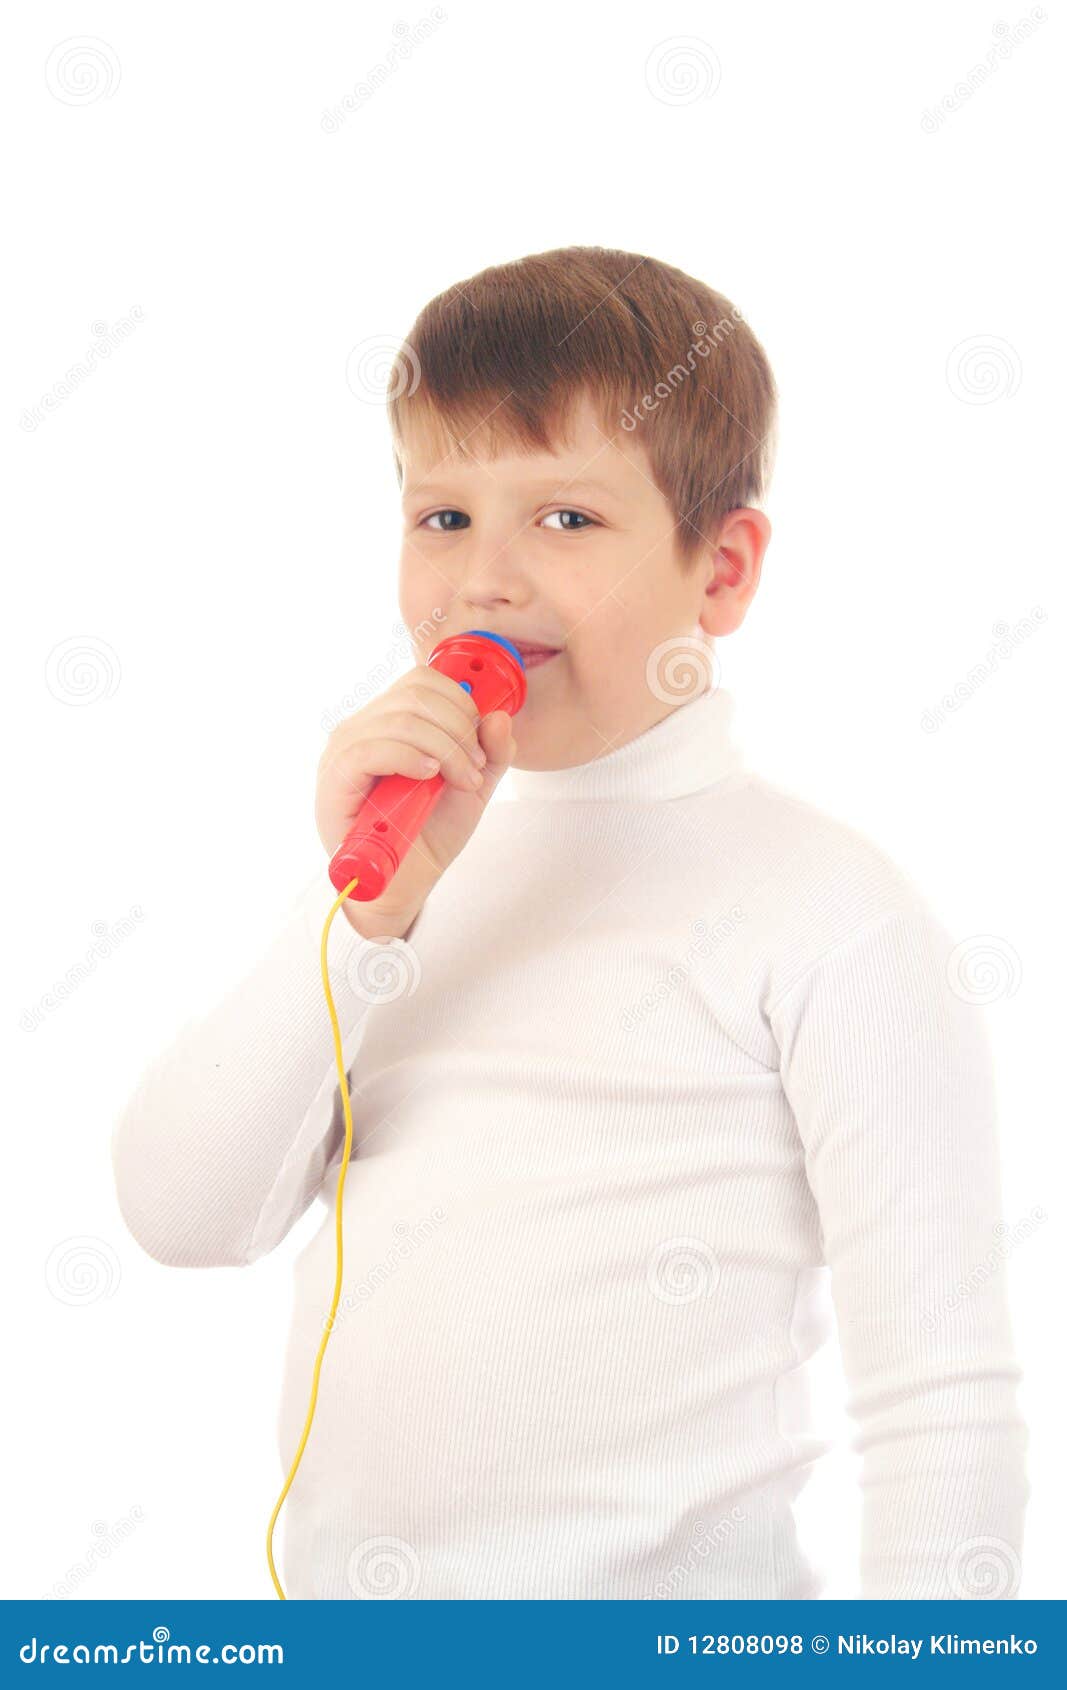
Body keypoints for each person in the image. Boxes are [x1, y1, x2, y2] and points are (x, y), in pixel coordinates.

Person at [112, 246, 1028, 1600]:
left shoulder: (826, 907)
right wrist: (368, 905)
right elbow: (182, 1211)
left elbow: (939, 1395)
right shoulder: (409, 887)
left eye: (566, 521)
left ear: (720, 571)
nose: (484, 580)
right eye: (443, 518)